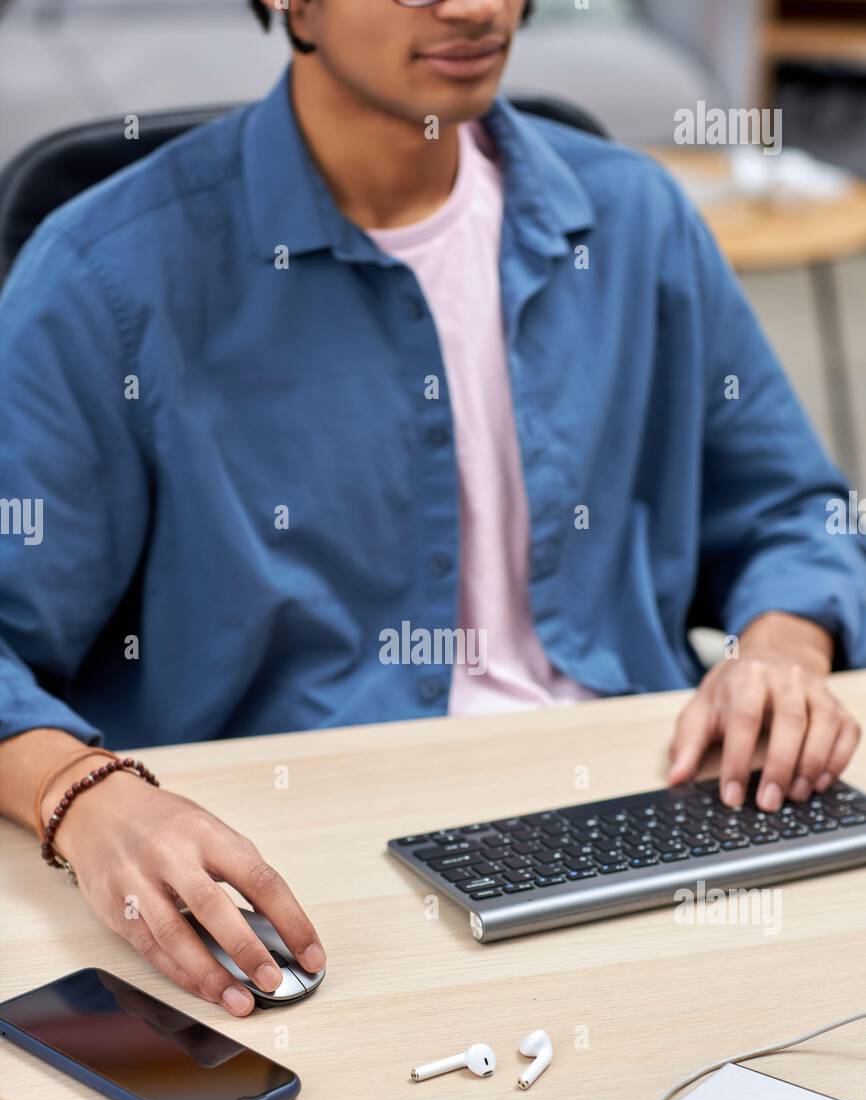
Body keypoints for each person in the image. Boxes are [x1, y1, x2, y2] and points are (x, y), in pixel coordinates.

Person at [1, 0, 864, 1015]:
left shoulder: (635, 220)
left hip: (658, 808)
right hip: (297, 870)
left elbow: (794, 510)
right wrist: (85, 800)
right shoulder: (108, 274)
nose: (470, 6)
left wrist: (780, 648)